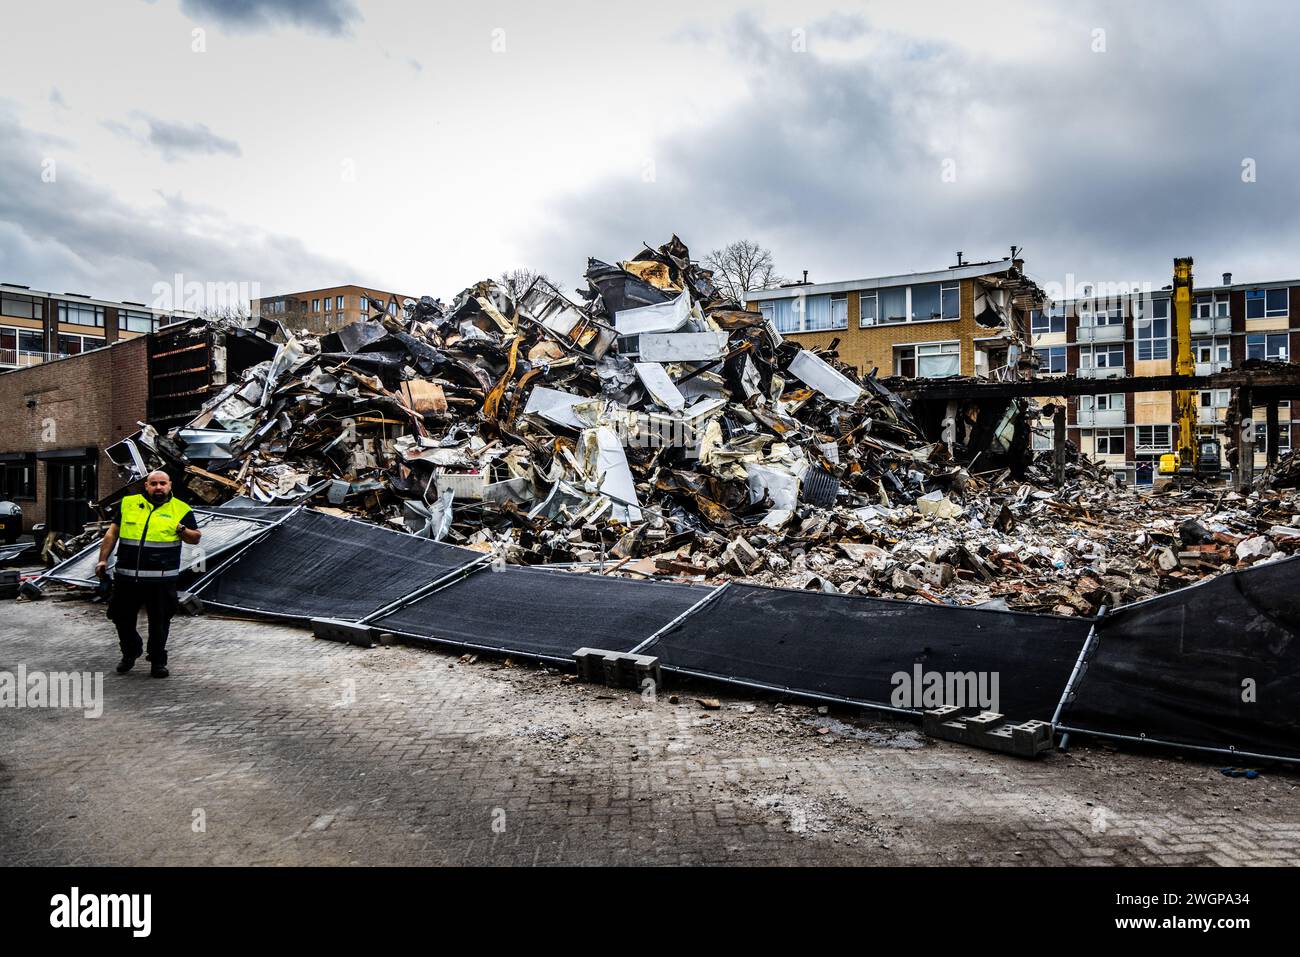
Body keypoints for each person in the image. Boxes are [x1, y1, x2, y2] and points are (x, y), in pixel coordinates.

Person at [96, 471, 201, 678]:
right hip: (127, 578)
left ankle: (158, 661)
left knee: (160, 622)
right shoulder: (128, 504)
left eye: (163, 483)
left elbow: (195, 538)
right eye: (154, 484)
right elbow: (112, 532)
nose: (158, 487)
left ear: (170, 485)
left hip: (161, 580)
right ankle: (131, 651)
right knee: (120, 617)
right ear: (146, 486)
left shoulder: (181, 509)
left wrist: (180, 529)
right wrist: (102, 559)